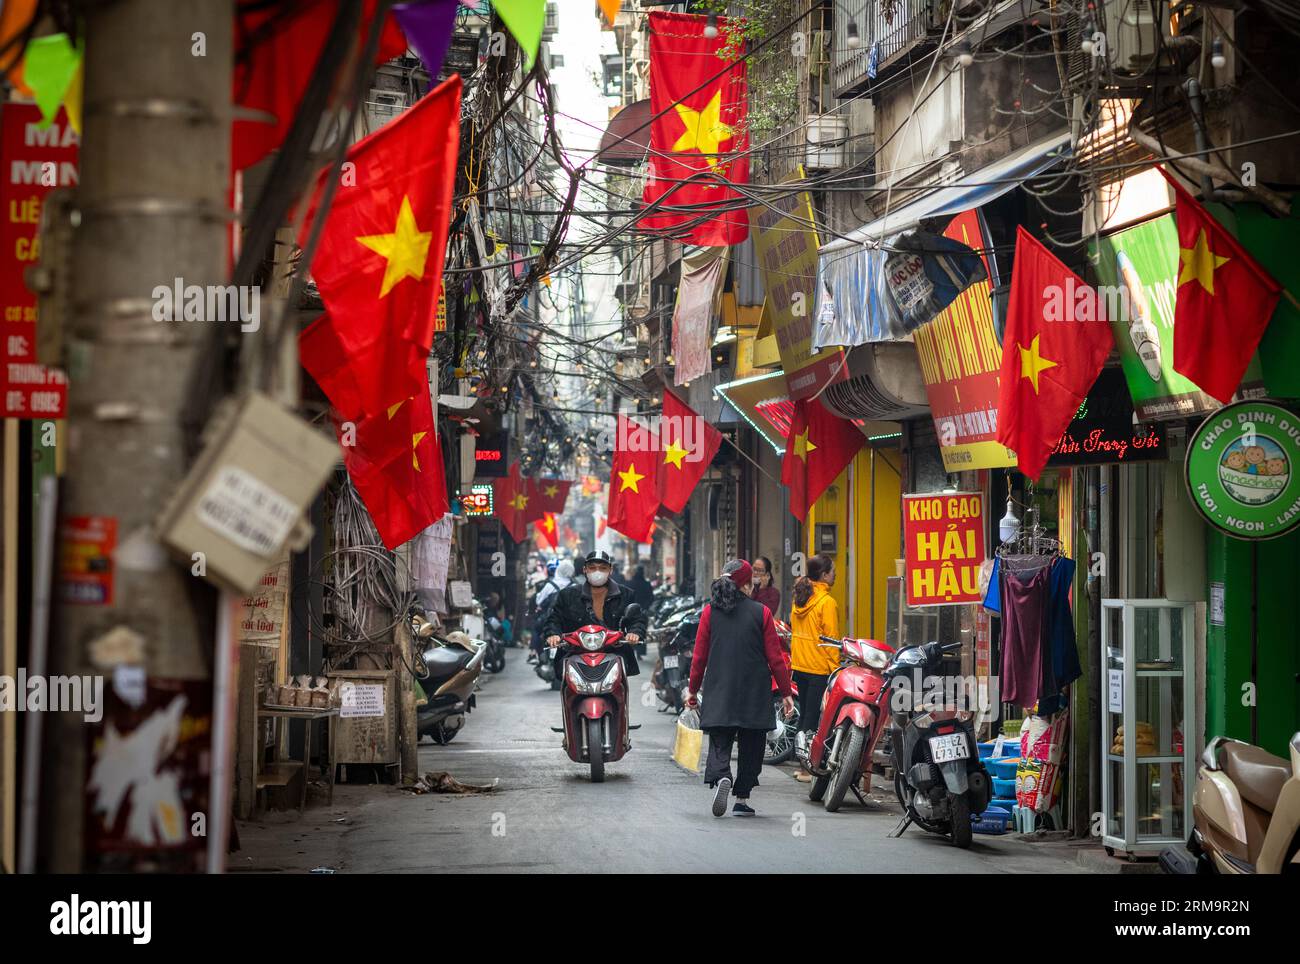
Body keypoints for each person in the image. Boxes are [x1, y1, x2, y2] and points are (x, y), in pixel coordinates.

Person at [685, 560, 795, 817]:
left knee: (720, 737)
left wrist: (692, 689)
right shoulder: (762, 613)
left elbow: (699, 657)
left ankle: (722, 775)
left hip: (720, 686)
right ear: (747, 583)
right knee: (752, 742)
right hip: (754, 688)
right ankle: (742, 798)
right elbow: (775, 657)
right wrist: (786, 691)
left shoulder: (709, 613)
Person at [542, 550, 646, 662]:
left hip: (614, 654)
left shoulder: (626, 594)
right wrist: (553, 634)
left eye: (603, 568)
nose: (597, 572)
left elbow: (636, 618)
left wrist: (634, 632)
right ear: (585, 570)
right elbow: (554, 618)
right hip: (574, 655)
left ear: (610, 570)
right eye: (592, 568)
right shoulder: (568, 595)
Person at [789, 553, 838, 783]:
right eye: (832, 571)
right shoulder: (826, 603)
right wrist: (835, 669)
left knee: (804, 718)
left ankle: (801, 765)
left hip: (800, 664)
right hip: (818, 667)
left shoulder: (800, 596)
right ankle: (808, 769)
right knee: (812, 718)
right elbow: (831, 640)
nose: (834, 574)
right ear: (824, 574)